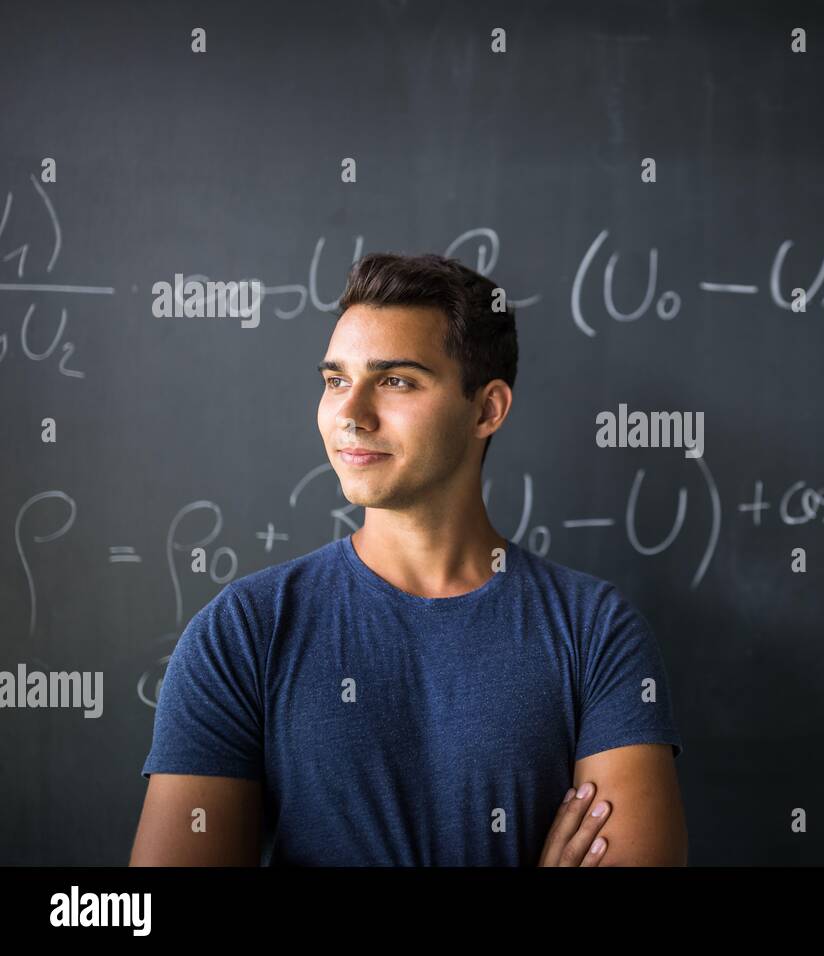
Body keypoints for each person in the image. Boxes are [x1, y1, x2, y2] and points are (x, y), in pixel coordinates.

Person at [130, 252, 686, 866]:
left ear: (486, 409)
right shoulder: (243, 631)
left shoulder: (596, 631)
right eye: (337, 380)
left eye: (395, 380)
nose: (351, 413)